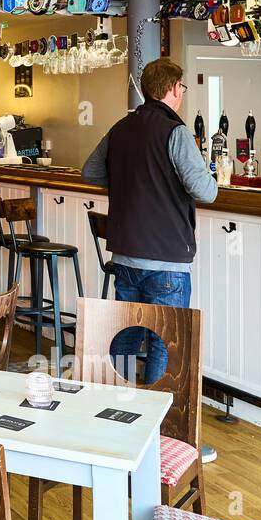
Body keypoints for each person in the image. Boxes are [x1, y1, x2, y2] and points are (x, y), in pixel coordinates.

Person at [81, 57, 217, 383]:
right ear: (173, 89)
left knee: (125, 335)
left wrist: (127, 179)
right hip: (166, 259)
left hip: (126, 256)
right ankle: (157, 422)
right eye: (181, 87)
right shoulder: (176, 132)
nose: (181, 93)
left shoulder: (121, 127)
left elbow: (90, 172)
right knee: (163, 342)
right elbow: (205, 191)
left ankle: (114, 410)